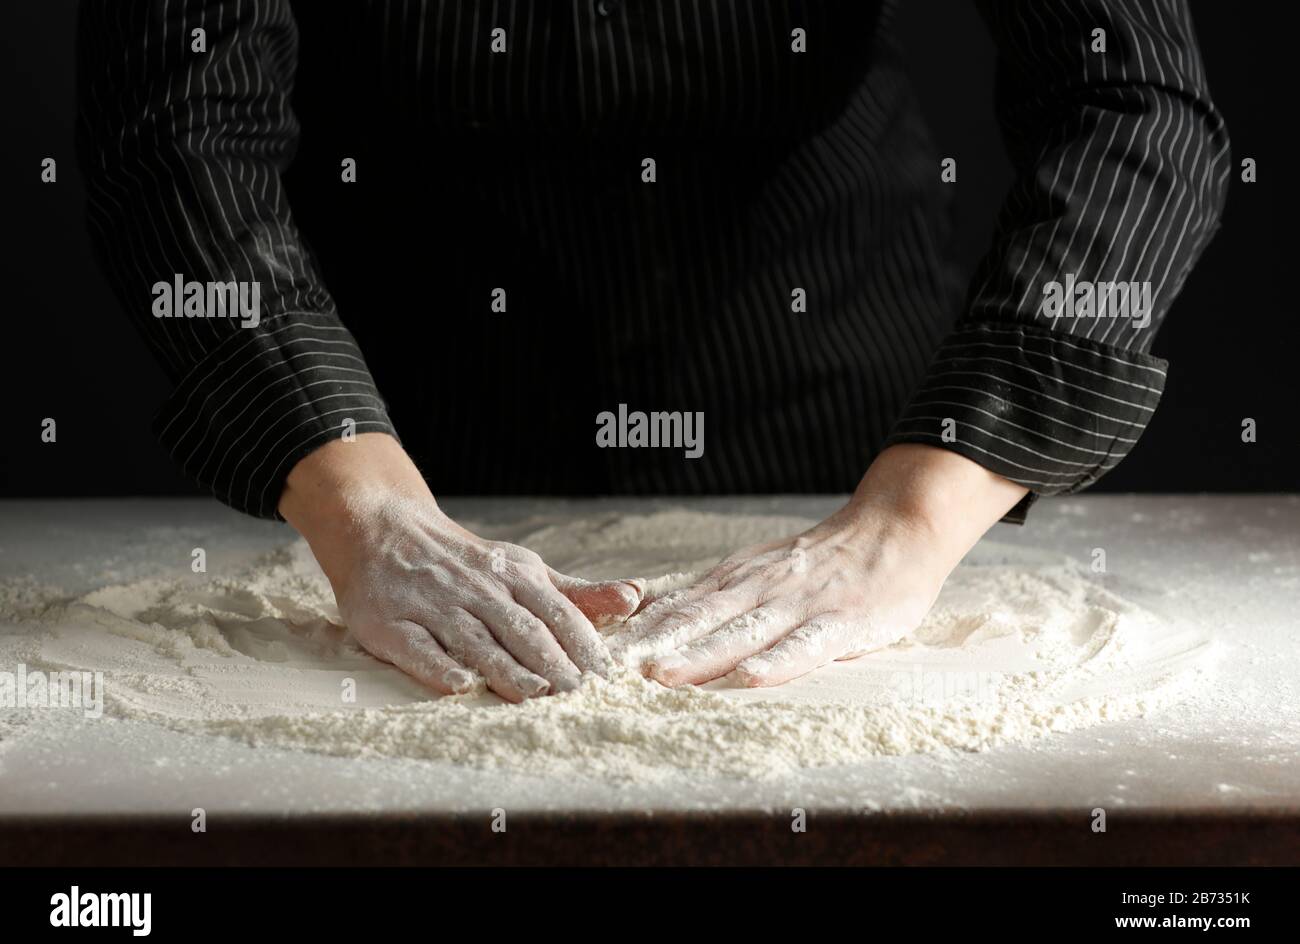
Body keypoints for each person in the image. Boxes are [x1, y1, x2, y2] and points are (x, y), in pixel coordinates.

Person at [76, 0, 1229, 701]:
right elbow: (180, 121)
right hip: (415, 400)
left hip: (823, 382)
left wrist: (913, 516)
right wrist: (363, 506)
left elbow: (1132, 99)